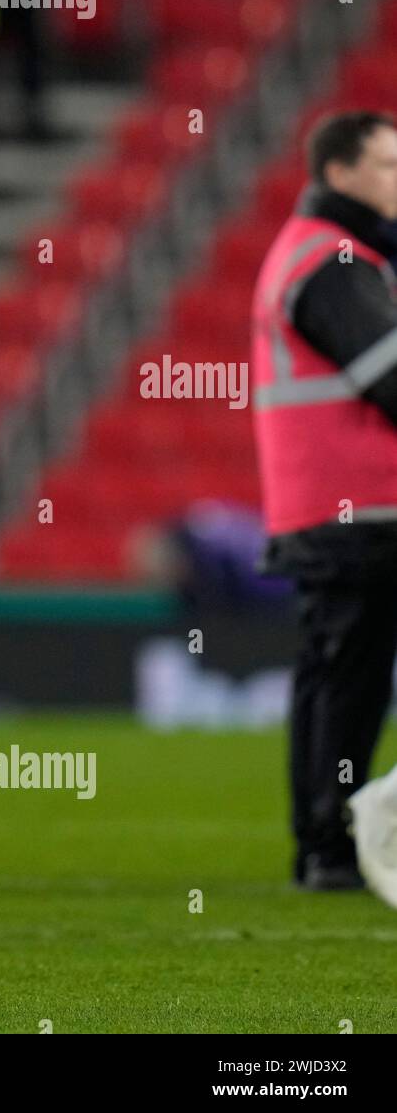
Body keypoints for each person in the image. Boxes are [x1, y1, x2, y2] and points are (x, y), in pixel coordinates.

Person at [251, 111, 397, 897]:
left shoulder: (323, 252)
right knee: (347, 679)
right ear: (341, 174)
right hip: (359, 505)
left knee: (336, 676)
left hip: (335, 504)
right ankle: (330, 847)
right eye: (388, 165)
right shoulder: (335, 261)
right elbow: (388, 375)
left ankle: (325, 843)